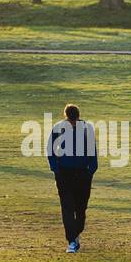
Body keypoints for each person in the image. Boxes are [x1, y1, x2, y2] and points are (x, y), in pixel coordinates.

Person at [48, 103, 97, 253]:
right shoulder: (59, 127)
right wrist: (56, 169)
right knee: (68, 207)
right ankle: (72, 240)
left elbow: (92, 150)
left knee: (81, 208)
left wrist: (91, 170)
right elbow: (50, 149)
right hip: (66, 173)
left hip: (81, 173)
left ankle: (75, 234)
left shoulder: (87, 128)